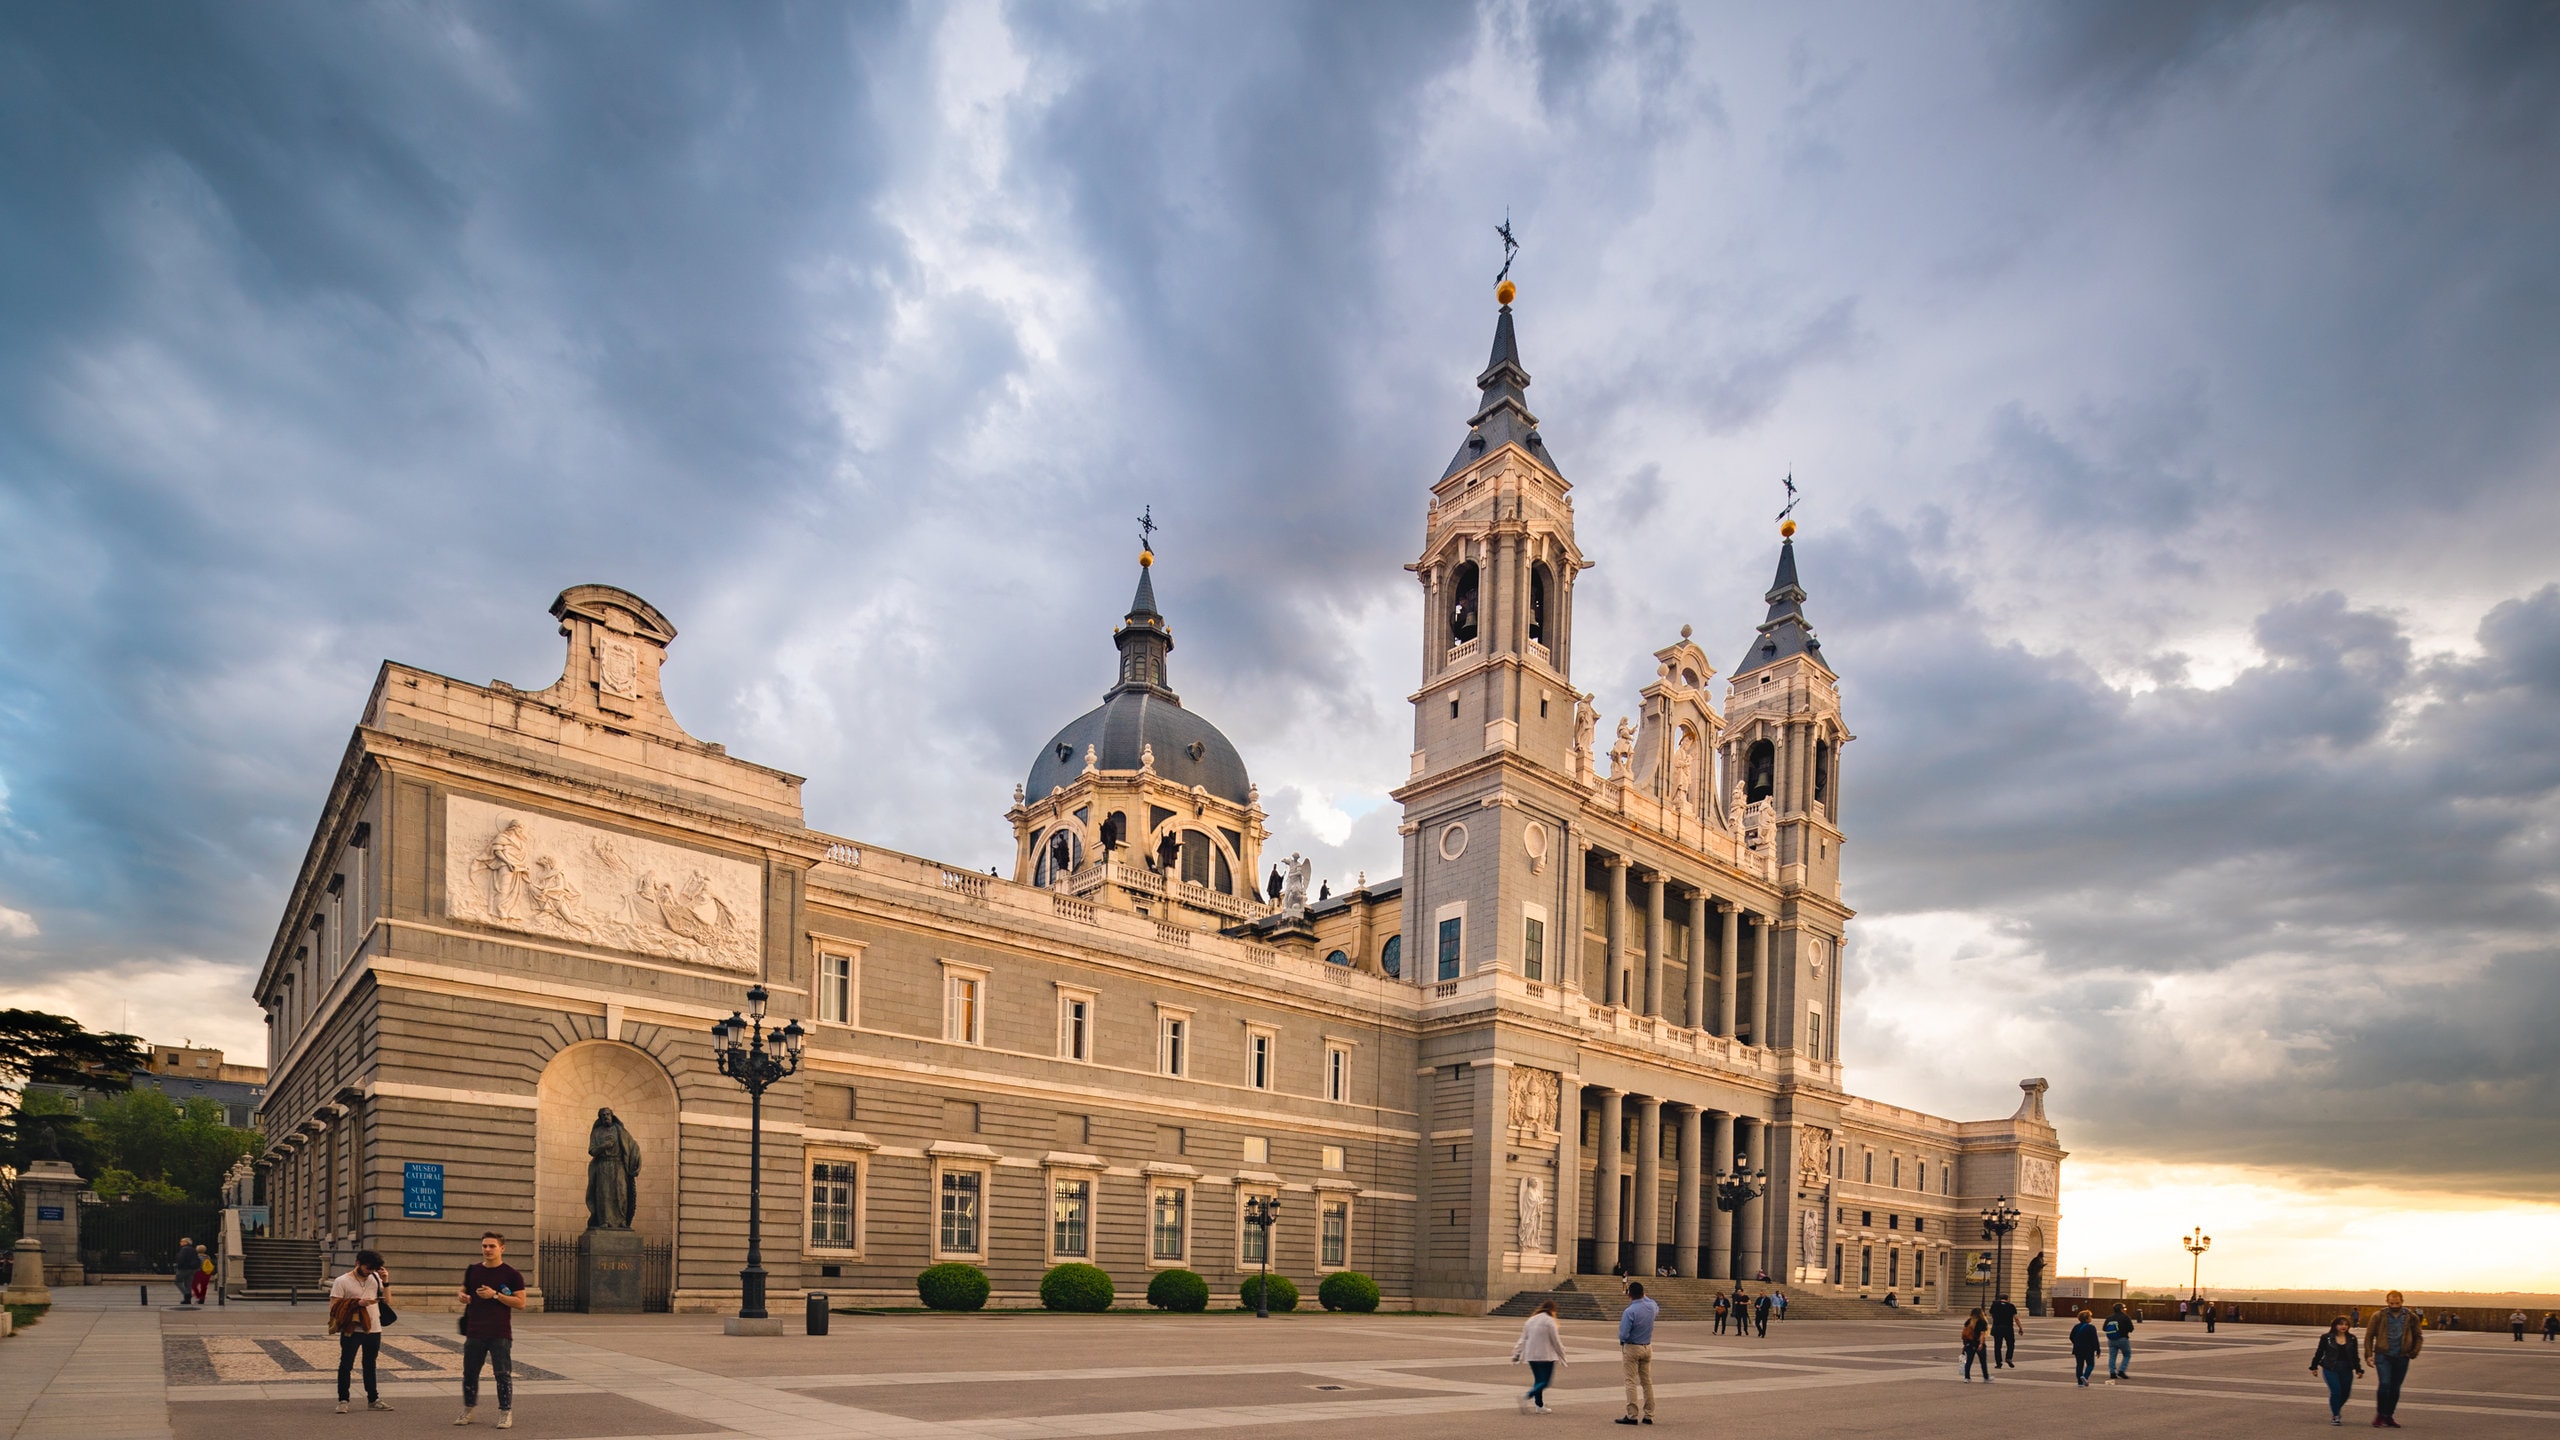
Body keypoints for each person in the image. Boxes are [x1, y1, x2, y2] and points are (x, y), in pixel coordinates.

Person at [456, 1231, 527, 1429]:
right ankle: (468, 1410)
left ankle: (505, 1412)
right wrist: (462, 1296)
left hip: (499, 1332)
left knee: (502, 1373)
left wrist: (495, 1295)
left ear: (502, 1248)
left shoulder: (512, 1275)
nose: (487, 1249)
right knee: (470, 1373)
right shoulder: (473, 1270)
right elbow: (462, 1289)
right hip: (475, 1330)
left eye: (492, 1246)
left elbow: (521, 1303)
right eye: (484, 1246)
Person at [330, 1250, 394, 1414]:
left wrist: (385, 1281)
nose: (369, 1272)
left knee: (370, 1364)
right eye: (367, 1269)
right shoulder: (342, 1281)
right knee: (346, 1364)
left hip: (374, 1327)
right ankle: (343, 1400)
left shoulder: (375, 1277)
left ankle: (373, 1399)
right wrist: (357, 1303)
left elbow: (388, 1301)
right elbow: (334, 1307)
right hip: (352, 1328)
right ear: (357, 1263)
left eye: (373, 1270)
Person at [2365, 1289, 2424, 1429]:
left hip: (2402, 1356)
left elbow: (2418, 1336)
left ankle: (2389, 1415)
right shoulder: (2378, 1316)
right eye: (2391, 1303)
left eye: (2397, 1303)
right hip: (2383, 1354)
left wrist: (2414, 1352)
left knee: (2395, 1387)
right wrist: (2368, 1355)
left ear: (2402, 1301)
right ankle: (2380, 1414)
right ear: (2387, 1302)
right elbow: (2369, 1335)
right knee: (2385, 1384)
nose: (2394, 1305)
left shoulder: (2411, 1317)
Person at [1512, 1299, 1565, 1415]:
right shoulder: (1550, 1321)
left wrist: (1517, 1352)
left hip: (1531, 1356)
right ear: (1553, 1310)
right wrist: (1562, 1354)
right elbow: (1555, 1340)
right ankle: (1526, 1396)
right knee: (1545, 1382)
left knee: (1538, 1381)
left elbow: (1523, 1338)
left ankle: (1539, 1405)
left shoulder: (1531, 1320)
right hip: (1546, 1356)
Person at [1616, 1281, 1658, 1425]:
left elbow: (1624, 1334)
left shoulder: (1629, 1311)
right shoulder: (1652, 1307)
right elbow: (1653, 1302)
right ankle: (1649, 1414)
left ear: (1629, 1295)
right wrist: (1644, 1296)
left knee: (1630, 1381)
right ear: (1643, 1293)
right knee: (1647, 1382)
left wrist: (1622, 1339)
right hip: (1647, 1347)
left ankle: (1632, 1415)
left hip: (1632, 1348)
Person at [2311, 1315, 2365, 1426]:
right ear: (2335, 1325)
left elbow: (2355, 1355)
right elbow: (2320, 1352)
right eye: (2340, 1324)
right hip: (2331, 1367)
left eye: (2346, 1324)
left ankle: (2336, 1408)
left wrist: (2358, 1369)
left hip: (2346, 1368)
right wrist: (2314, 1366)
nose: (2343, 1326)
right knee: (2336, 1391)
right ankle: (2335, 1415)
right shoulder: (2326, 1337)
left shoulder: (2352, 1339)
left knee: (2345, 1393)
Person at [2105, 1302, 2137, 1381]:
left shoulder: (2109, 1318)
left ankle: (2112, 1372)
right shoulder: (2125, 1317)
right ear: (2121, 1309)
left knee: (2112, 1356)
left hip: (2111, 1339)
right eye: (2124, 1308)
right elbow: (2131, 1329)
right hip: (2123, 1339)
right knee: (2127, 1355)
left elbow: (2104, 1328)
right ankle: (2121, 1370)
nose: (2125, 1310)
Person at [2069, 1310, 2101, 1387]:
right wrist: (2098, 1349)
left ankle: (2079, 1382)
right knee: (2090, 1364)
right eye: (2090, 1317)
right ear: (2087, 1319)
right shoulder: (2091, 1327)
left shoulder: (2076, 1326)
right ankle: (2085, 1376)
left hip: (2078, 1349)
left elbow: (2071, 1337)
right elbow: (2094, 1339)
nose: (2091, 1318)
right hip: (2088, 1349)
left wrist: (2076, 1343)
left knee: (2079, 1365)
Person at [1961, 1308, 1992, 1382]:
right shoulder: (1982, 1322)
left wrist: (1964, 1344)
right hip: (1978, 1343)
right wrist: (1981, 1344)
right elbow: (1982, 1334)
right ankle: (1986, 1377)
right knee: (1983, 1361)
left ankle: (1967, 1377)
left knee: (1969, 1361)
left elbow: (1964, 1333)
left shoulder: (1968, 1321)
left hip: (1969, 1343)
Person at [1989, 1295, 2020, 1368]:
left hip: (1997, 1327)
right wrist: (2020, 1327)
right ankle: (2008, 1357)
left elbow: (1991, 1314)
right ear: (2007, 1299)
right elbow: (2016, 1318)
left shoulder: (1995, 1305)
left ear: (2000, 1299)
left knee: (1997, 1346)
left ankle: (1998, 1363)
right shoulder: (2011, 1306)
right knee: (2011, 1344)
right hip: (2008, 1328)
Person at [173, 1236, 199, 1308]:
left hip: (184, 1268)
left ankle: (187, 1294)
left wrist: (178, 1266)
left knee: (177, 1281)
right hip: (192, 1269)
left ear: (186, 1242)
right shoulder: (193, 1249)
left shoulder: (184, 1249)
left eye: (182, 1241)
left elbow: (181, 1259)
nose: (180, 1242)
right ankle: (187, 1300)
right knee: (188, 1284)